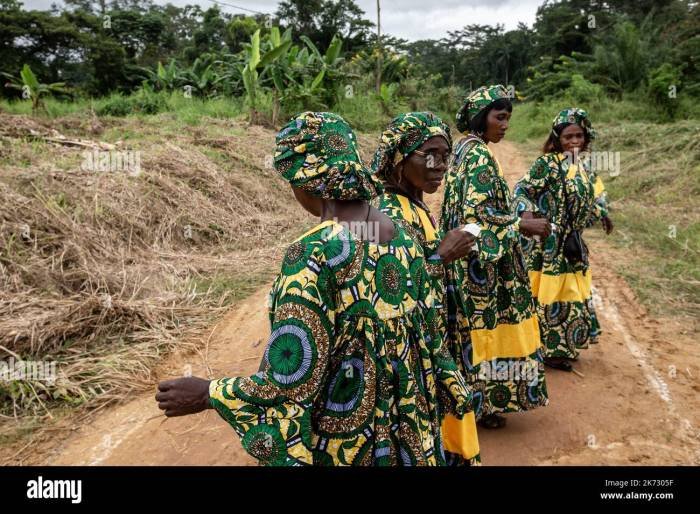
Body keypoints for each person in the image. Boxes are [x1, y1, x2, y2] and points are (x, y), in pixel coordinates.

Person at [155, 111, 471, 466]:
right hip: (408, 439)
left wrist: (208, 393)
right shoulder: (401, 234)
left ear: (304, 180)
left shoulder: (313, 254)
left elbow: (291, 381)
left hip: (350, 446)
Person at [371, 111, 480, 465]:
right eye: (430, 155)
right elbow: (392, 296)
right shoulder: (390, 215)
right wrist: (440, 258)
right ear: (399, 157)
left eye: (447, 156)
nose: (441, 166)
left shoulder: (414, 203)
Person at [440, 85, 550, 429]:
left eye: (508, 118)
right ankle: (484, 403)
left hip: (465, 259)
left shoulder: (463, 150)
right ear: (480, 118)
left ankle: (468, 399)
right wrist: (522, 226)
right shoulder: (481, 156)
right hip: (481, 266)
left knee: (470, 331)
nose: (505, 124)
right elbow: (480, 217)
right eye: (499, 117)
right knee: (488, 329)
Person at [513, 108, 612, 370]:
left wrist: (603, 213)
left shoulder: (586, 167)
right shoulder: (546, 165)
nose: (574, 142)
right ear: (557, 139)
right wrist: (527, 214)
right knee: (548, 293)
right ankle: (547, 349)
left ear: (586, 137)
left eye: (579, 135)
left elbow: (597, 196)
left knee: (570, 292)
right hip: (548, 244)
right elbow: (521, 189)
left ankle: (563, 346)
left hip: (572, 244)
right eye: (568, 136)